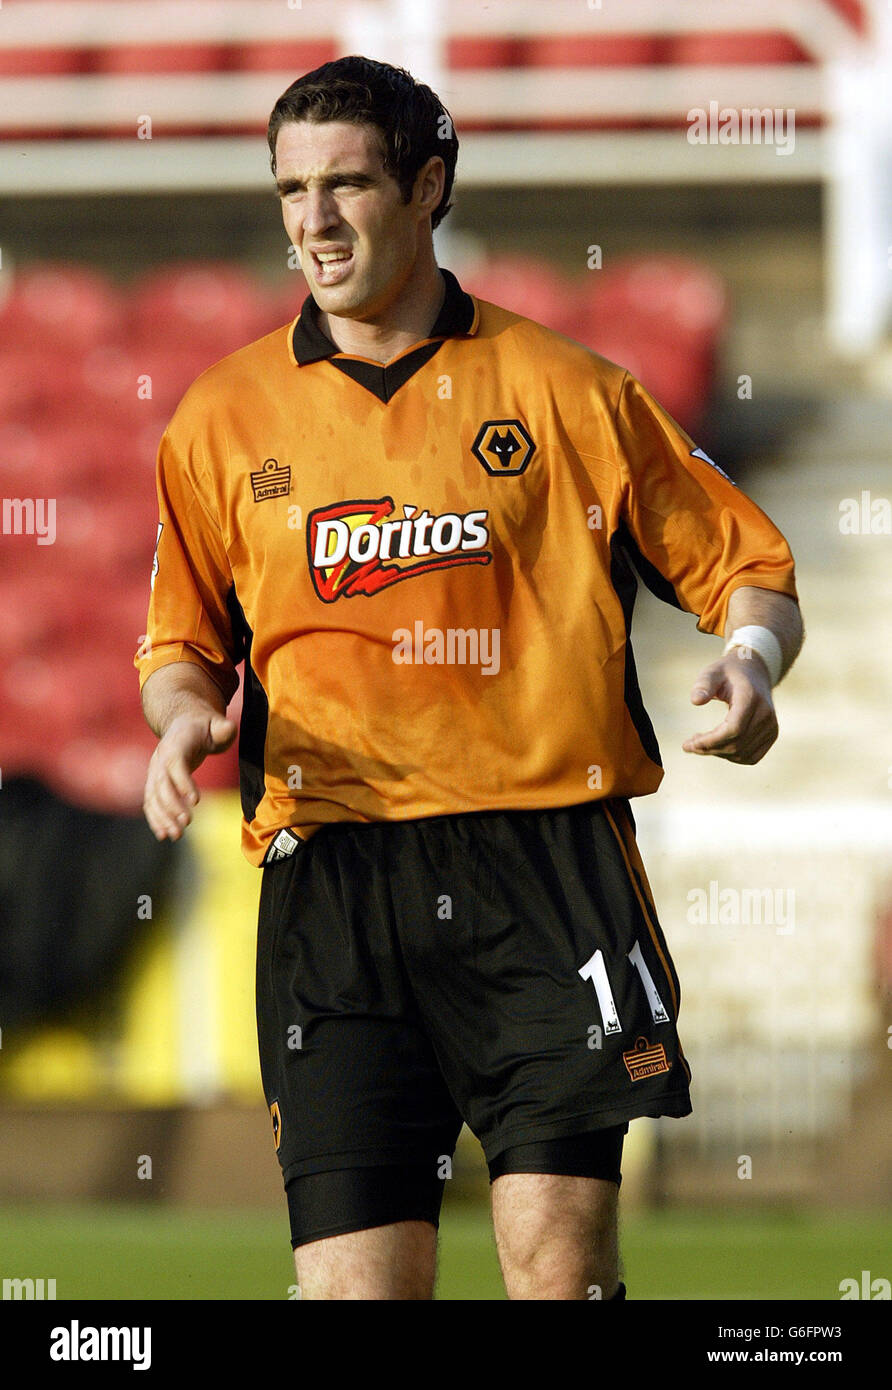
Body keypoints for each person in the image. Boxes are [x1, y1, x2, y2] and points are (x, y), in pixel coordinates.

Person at [136, 56, 803, 1301]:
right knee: (352, 1291)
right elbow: (181, 645)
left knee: (558, 1267)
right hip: (332, 881)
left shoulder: (568, 392)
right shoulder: (219, 420)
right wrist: (179, 725)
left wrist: (750, 664)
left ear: (428, 184)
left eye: (347, 185)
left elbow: (751, 571)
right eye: (291, 191)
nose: (313, 223)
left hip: (542, 869)